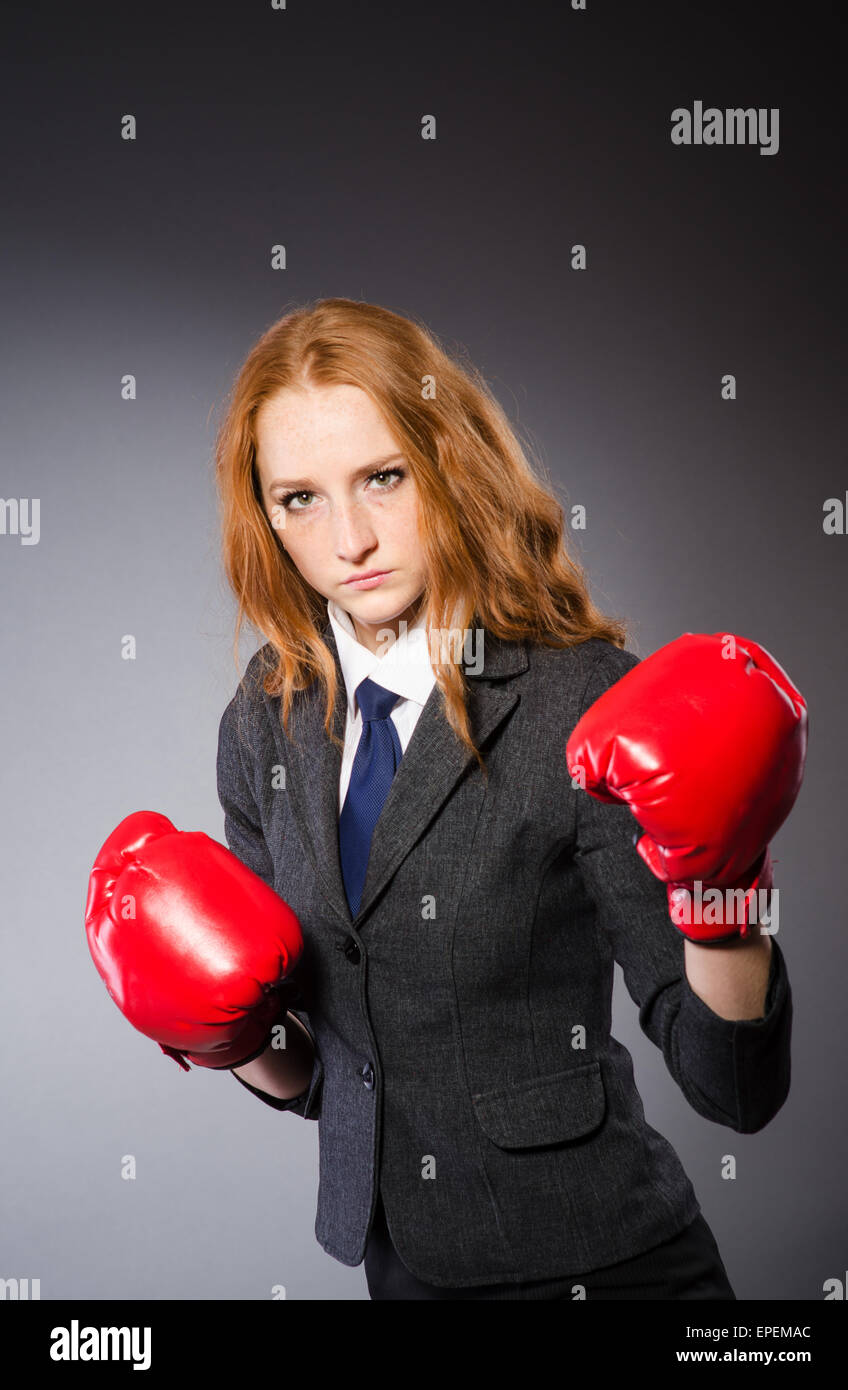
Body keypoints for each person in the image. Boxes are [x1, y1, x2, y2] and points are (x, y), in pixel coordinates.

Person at [86, 297, 798, 1300]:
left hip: (601, 1265)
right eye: (301, 498)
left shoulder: (582, 699)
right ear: (266, 516)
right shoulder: (263, 722)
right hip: (402, 1270)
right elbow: (327, 1079)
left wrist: (733, 888)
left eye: (384, 477)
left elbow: (735, 1089)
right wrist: (233, 1036)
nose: (352, 537)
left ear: (448, 464)